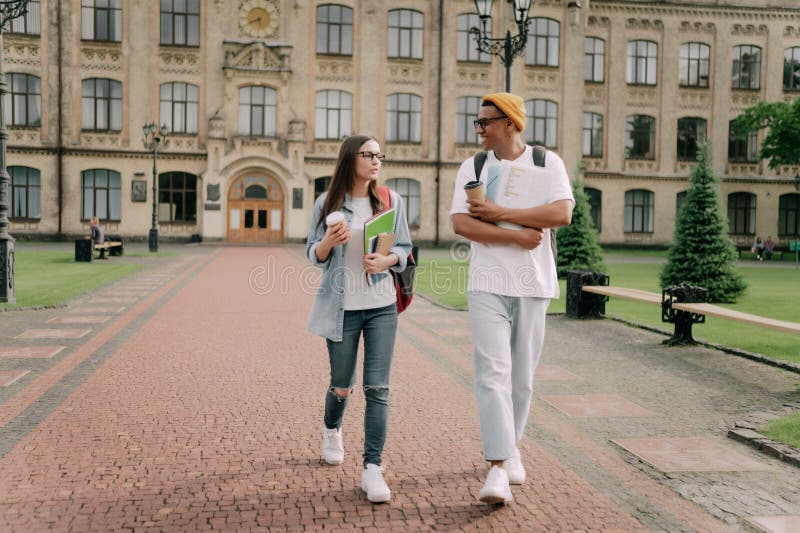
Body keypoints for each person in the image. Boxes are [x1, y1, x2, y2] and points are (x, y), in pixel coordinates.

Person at [450, 93, 574, 504]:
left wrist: (501, 210)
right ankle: (498, 467)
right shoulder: (475, 166)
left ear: (510, 123)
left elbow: (561, 214)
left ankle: (512, 447)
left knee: (521, 379)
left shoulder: (546, 162)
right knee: (491, 374)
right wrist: (516, 235)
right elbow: (462, 223)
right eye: (477, 122)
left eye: (485, 122)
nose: (479, 129)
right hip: (487, 283)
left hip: (534, 285)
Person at [306, 134, 413, 504]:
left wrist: (388, 260)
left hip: (381, 305)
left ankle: (372, 469)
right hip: (342, 308)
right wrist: (328, 243)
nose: (376, 160)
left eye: (379, 155)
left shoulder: (390, 201)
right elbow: (312, 254)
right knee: (342, 384)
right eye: (368, 154)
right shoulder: (327, 203)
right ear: (351, 158)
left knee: (378, 389)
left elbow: (405, 248)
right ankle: (332, 428)